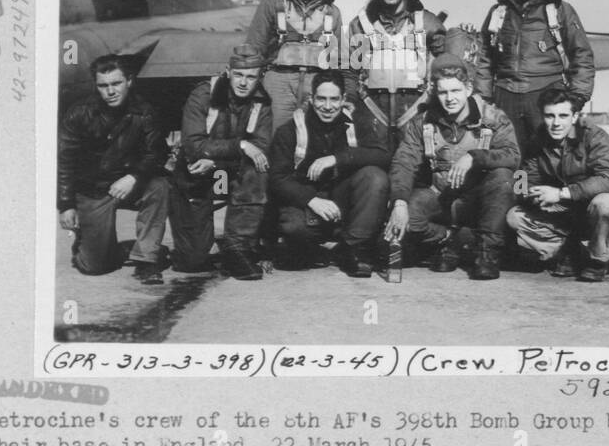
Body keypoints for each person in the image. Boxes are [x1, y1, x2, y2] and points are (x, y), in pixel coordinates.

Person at [384, 54, 519, 280]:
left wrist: (475, 157)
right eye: (443, 92)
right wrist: (399, 202)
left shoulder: (492, 117)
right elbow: (404, 161)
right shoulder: (423, 121)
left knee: (504, 177)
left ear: (467, 89)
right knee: (407, 216)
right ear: (435, 92)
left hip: (478, 199)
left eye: (455, 91)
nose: (450, 99)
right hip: (441, 195)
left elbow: (513, 156)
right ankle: (448, 239)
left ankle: (487, 252)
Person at [473, 0, 595, 157]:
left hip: (546, 93)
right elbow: (485, 59)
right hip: (506, 95)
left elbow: (582, 55)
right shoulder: (498, 13)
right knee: (508, 156)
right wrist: (483, 100)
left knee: (549, 158)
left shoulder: (559, 10)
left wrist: (577, 97)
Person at [57, 55, 170, 283]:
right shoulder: (79, 113)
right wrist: (66, 204)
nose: (110, 91)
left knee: (159, 186)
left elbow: (156, 153)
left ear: (129, 81)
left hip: (128, 184)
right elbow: (65, 160)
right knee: (95, 266)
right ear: (96, 86)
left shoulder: (145, 112)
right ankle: (98, 244)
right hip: (93, 190)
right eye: (103, 86)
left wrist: (134, 175)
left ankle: (146, 260)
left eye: (116, 83)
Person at [268, 72, 392, 277]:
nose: (327, 106)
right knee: (294, 228)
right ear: (311, 99)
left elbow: (383, 156)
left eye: (334, 99)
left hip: (343, 200)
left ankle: (352, 248)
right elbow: (277, 179)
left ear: (343, 100)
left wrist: (338, 158)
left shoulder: (356, 123)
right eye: (321, 99)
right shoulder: (290, 130)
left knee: (375, 177)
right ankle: (311, 250)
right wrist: (311, 200)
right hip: (307, 203)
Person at [168, 45, 272, 280]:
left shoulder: (261, 103)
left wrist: (215, 161)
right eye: (239, 75)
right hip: (197, 175)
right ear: (228, 72)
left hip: (224, 173)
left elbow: (262, 149)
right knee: (192, 261)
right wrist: (241, 146)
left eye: (251, 76)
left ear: (259, 77)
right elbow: (193, 145)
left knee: (258, 167)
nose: (244, 83)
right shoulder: (203, 95)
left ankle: (237, 247)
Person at [506, 85, 609, 282]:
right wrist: (530, 193)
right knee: (514, 217)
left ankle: (597, 259)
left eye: (563, 116)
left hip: (590, 210)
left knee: (607, 204)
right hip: (560, 212)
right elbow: (524, 176)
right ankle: (569, 252)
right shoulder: (537, 139)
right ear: (542, 116)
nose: (556, 123)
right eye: (550, 116)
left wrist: (562, 193)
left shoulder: (594, 136)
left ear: (575, 116)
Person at [346, 0, 446, 154]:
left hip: (416, 112)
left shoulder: (428, 23)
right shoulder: (360, 25)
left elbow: (446, 67)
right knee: (373, 171)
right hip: (372, 114)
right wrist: (349, 102)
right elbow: (350, 71)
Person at [244, 0, 345, 127]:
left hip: (317, 86)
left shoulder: (333, 12)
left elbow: (337, 61)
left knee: (314, 141)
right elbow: (253, 49)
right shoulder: (272, 5)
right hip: (278, 84)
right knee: (275, 138)